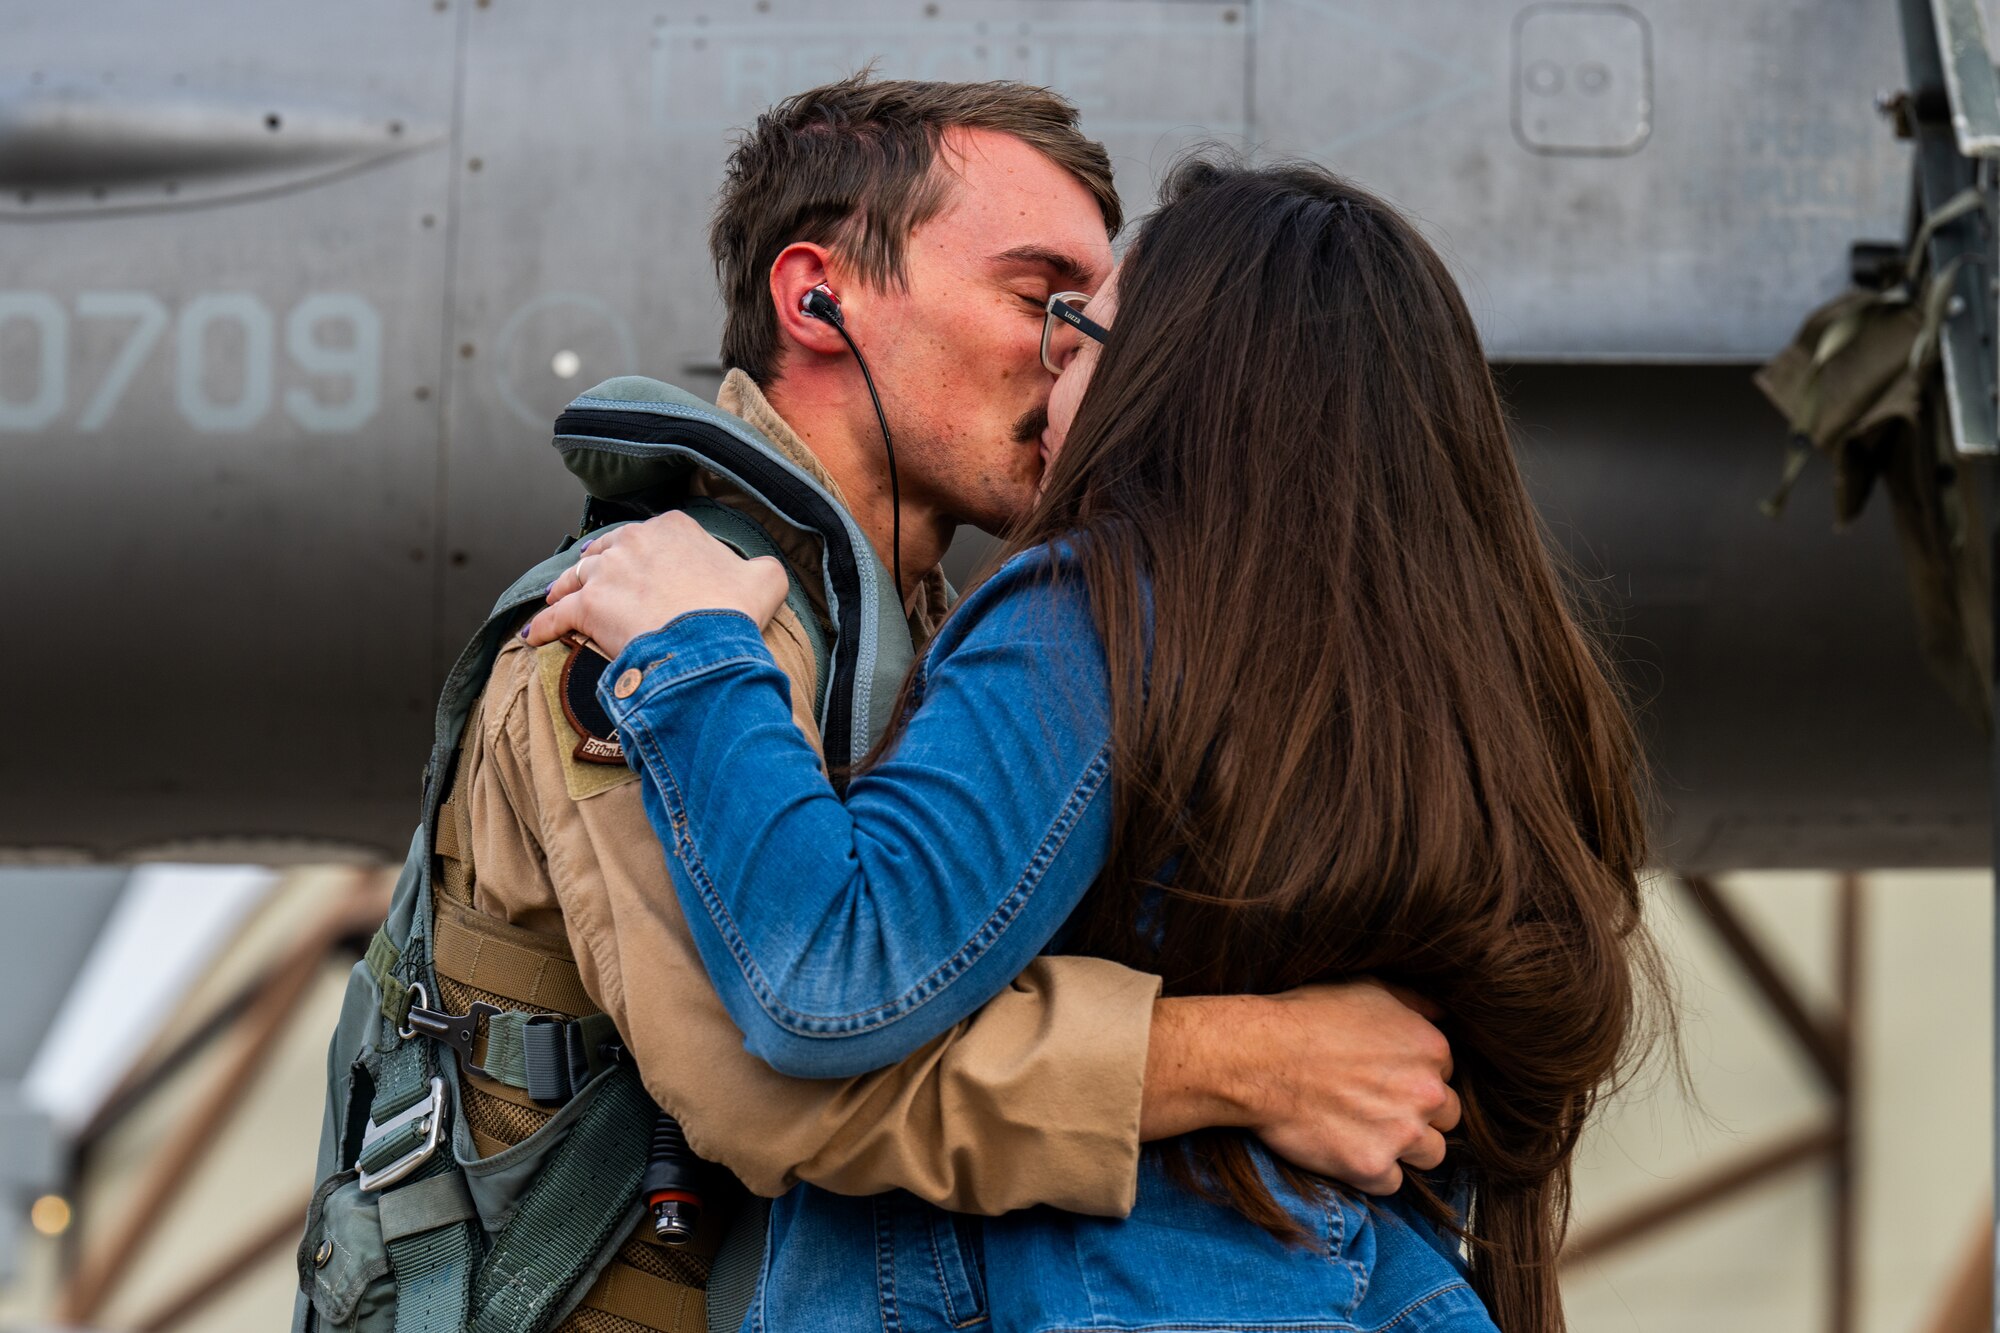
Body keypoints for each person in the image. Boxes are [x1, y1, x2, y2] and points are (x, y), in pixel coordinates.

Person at [305, 79, 1460, 1333]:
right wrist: (1257, 1062)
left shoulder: (906, 634)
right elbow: (774, 1087)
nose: (1074, 346)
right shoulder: (638, 624)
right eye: (1037, 298)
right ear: (818, 298)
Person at [526, 155, 1661, 1333]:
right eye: (1037, 311)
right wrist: (1262, 1057)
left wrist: (699, 654)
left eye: (1073, 344)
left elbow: (830, 976)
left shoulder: (1097, 604)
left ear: (1176, 378)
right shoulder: (1471, 681)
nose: (1044, 374)